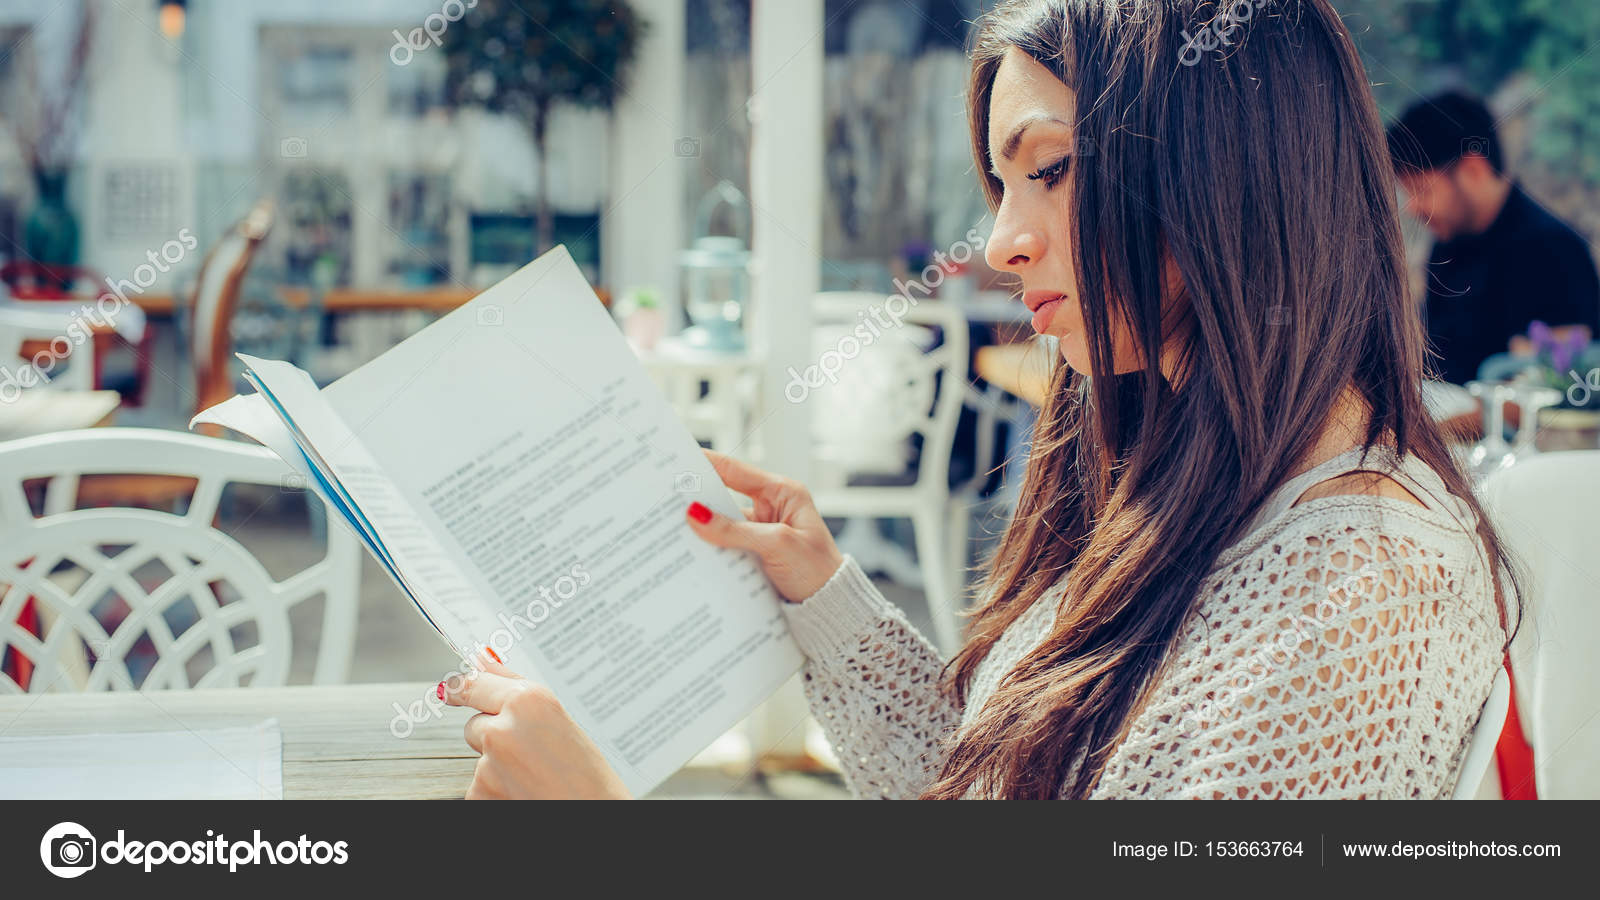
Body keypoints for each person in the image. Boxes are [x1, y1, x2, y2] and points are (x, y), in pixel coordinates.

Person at [442, 0, 1518, 799]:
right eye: (1000, 185)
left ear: (1230, 170)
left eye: (1049, 168)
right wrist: (822, 594)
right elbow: (983, 784)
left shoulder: (1355, 597)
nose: (1002, 239)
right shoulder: (1199, 483)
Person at [1387, 91, 1600, 385]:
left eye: (1422, 189)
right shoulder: (1447, 245)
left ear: (1473, 170)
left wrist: (1428, 427)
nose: (1412, 207)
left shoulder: (1554, 250)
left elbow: (1556, 386)